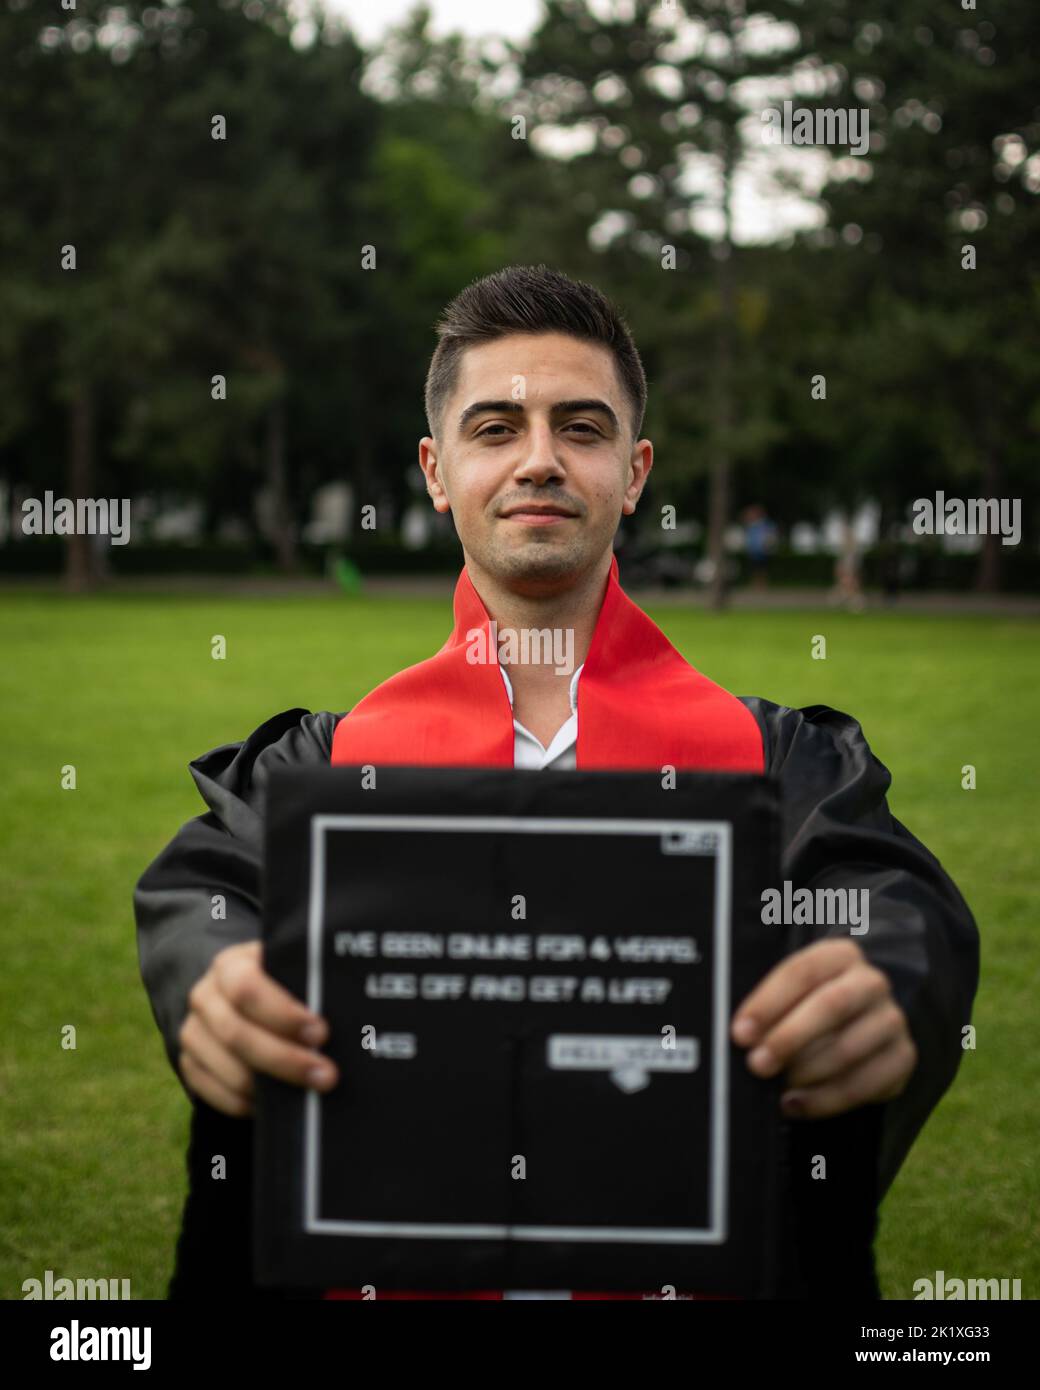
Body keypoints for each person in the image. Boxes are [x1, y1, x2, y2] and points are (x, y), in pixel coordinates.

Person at [135, 264, 978, 1300]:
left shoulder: (776, 765)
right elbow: (207, 890)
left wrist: (881, 977)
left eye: (581, 429)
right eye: (494, 429)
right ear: (435, 470)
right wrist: (213, 980)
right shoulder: (320, 768)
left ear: (633, 472)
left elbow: (894, 902)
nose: (538, 459)